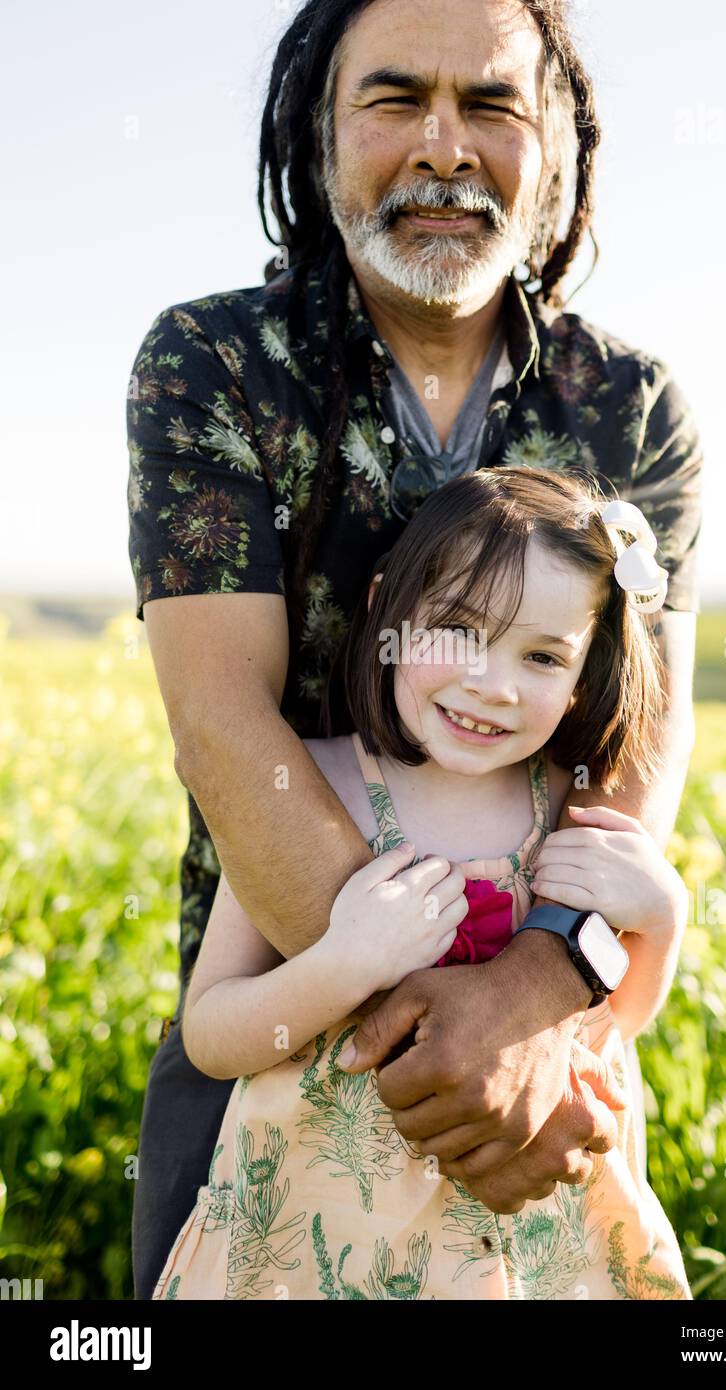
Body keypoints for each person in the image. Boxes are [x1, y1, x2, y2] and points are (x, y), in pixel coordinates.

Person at [127, 0, 702, 1300]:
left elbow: (642, 736)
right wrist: (438, 1040)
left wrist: (538, 1000)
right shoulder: (215, 365)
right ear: (316, 132)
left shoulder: (631, 406)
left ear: (551, 141)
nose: (445, 146)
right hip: (280, 1033)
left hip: (548, 1058)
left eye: (490, 104)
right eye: (394, 99)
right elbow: (224, 725)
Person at [152, 467, 691, 1300]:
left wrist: (663, 920)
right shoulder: (312, 790)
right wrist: (344, 964)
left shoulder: (571, 814)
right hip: (321, 1234)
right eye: (459, 631)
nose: (493, 685)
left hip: (525, 1235)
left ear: (587, 674)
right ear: (385, 610)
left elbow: (611, 1034)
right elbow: (213, 1034)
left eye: (543, 655)